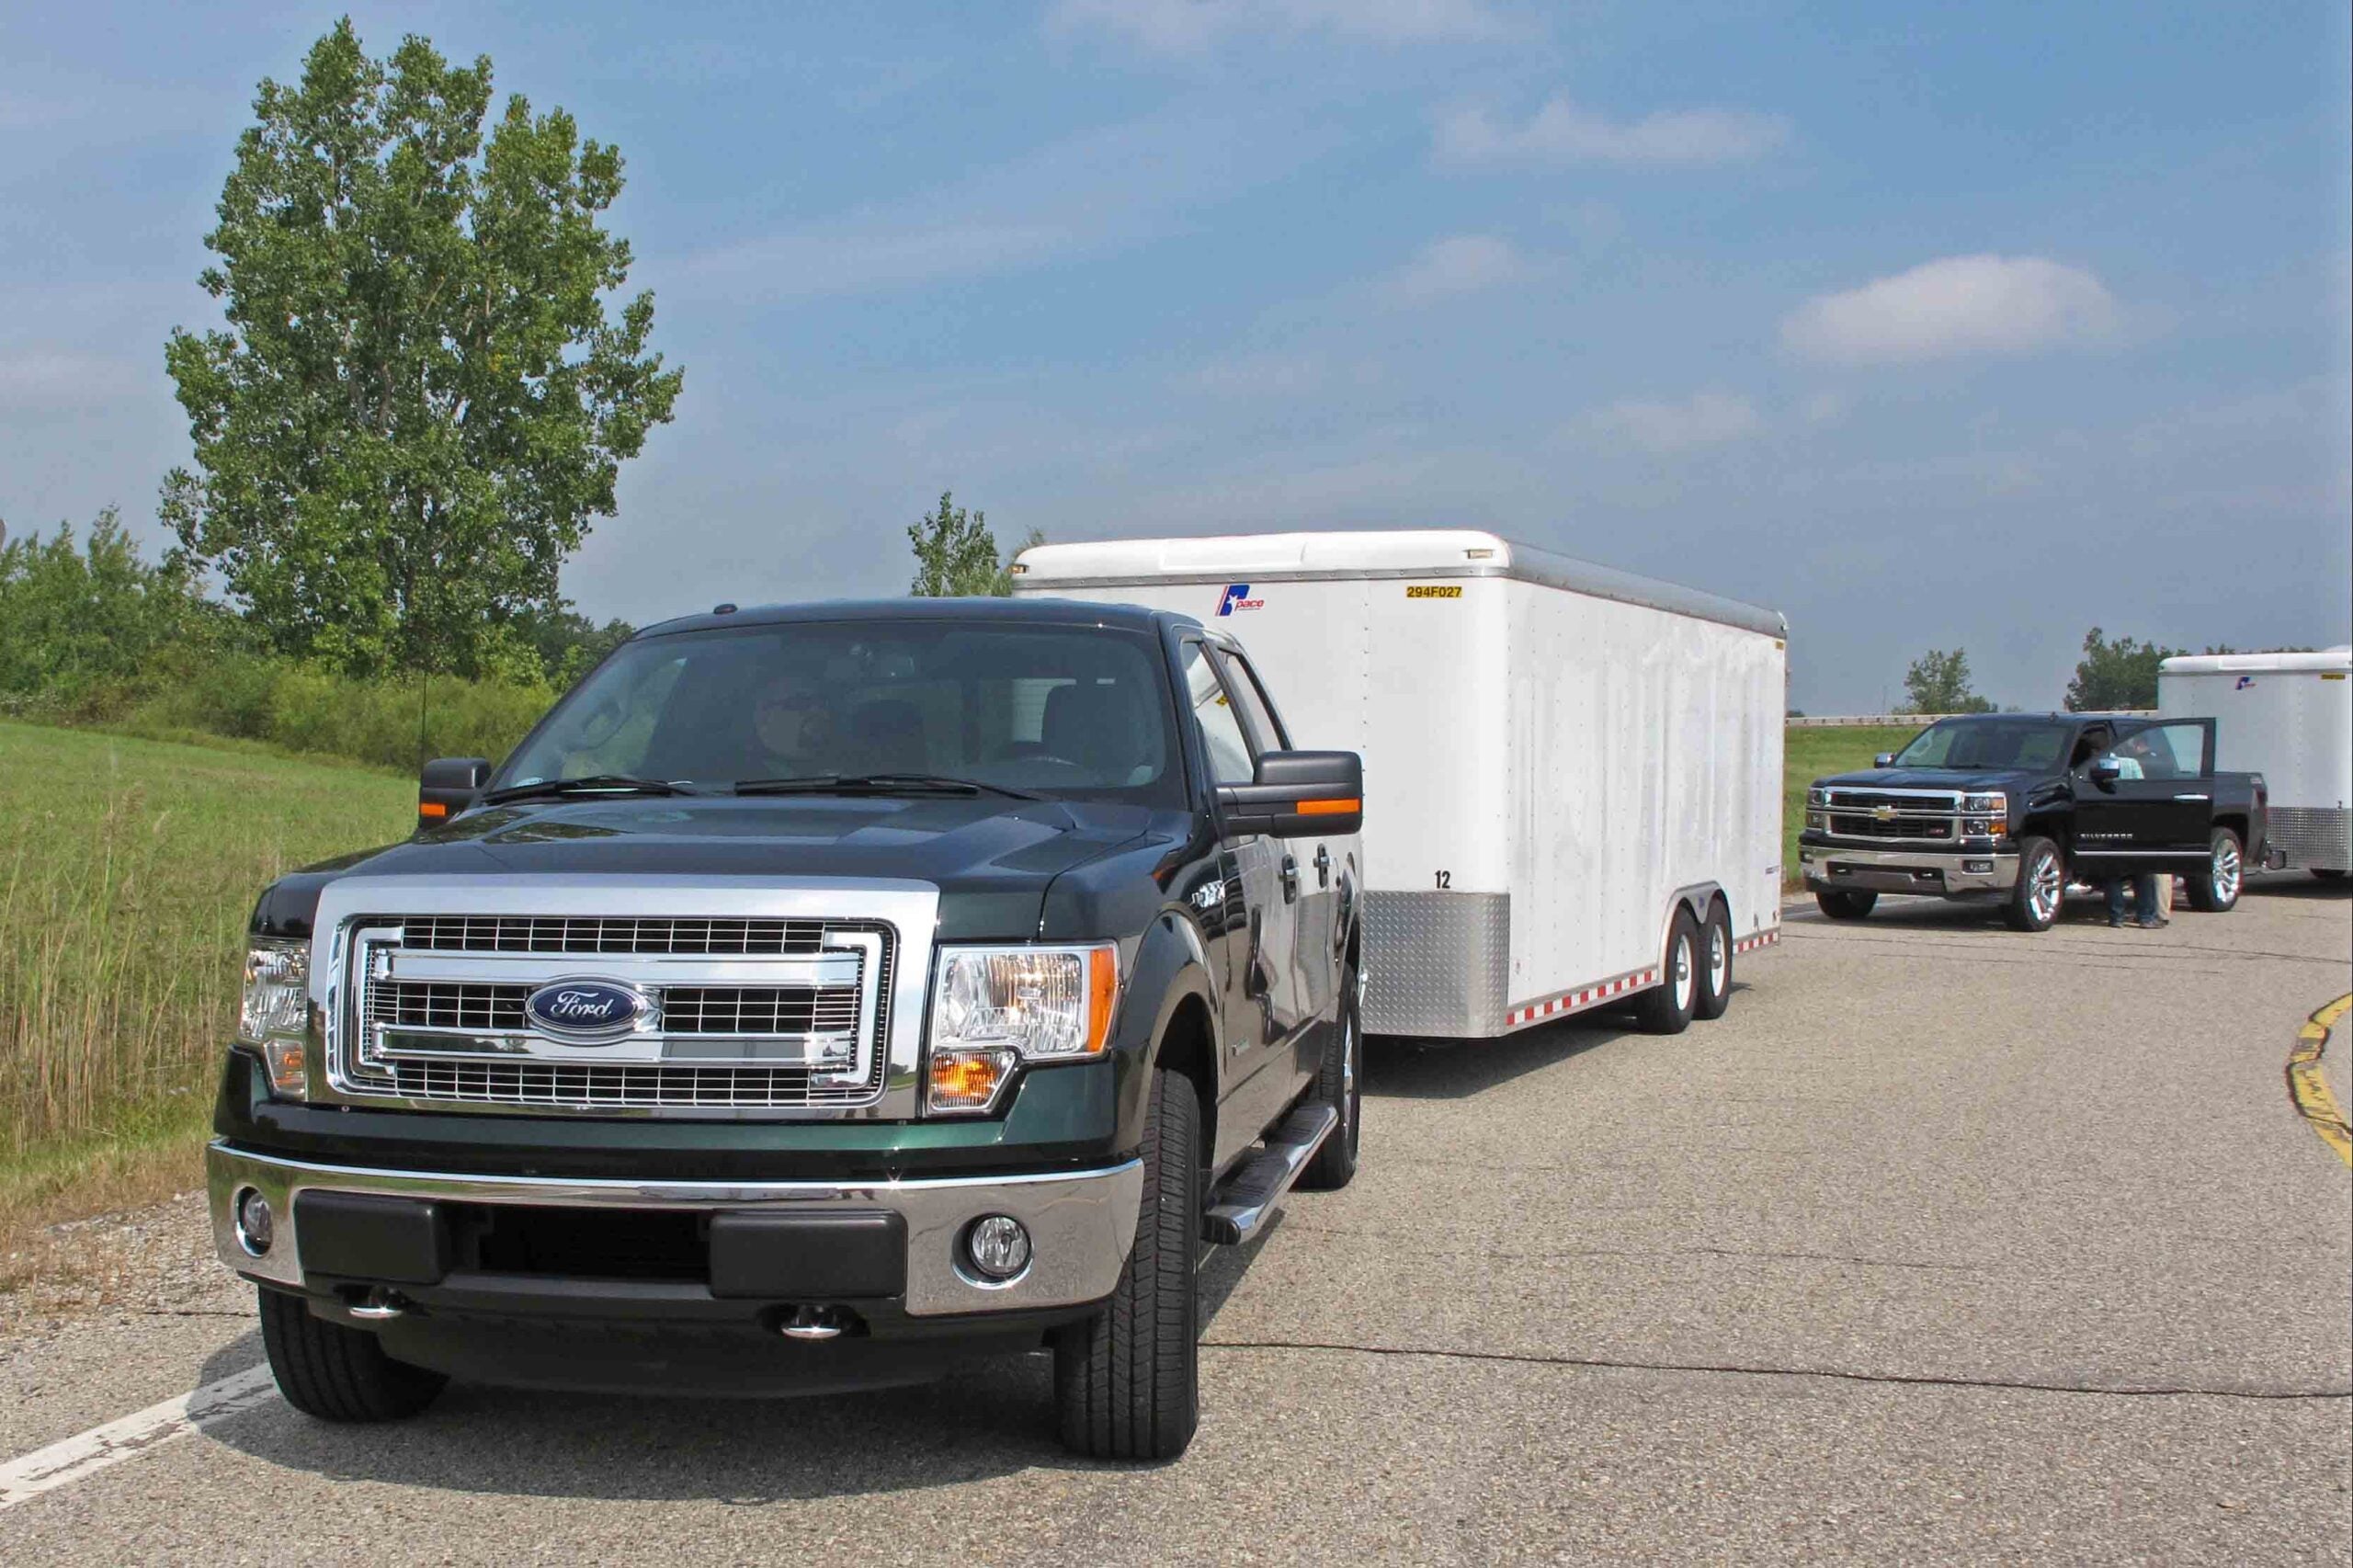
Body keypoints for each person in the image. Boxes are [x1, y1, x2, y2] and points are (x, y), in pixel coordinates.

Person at [748, 671, 840, 778]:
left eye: (822, 702)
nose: (819, 711)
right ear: (764, 716)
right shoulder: (733, 779)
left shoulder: (856, 768)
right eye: (800, 703)